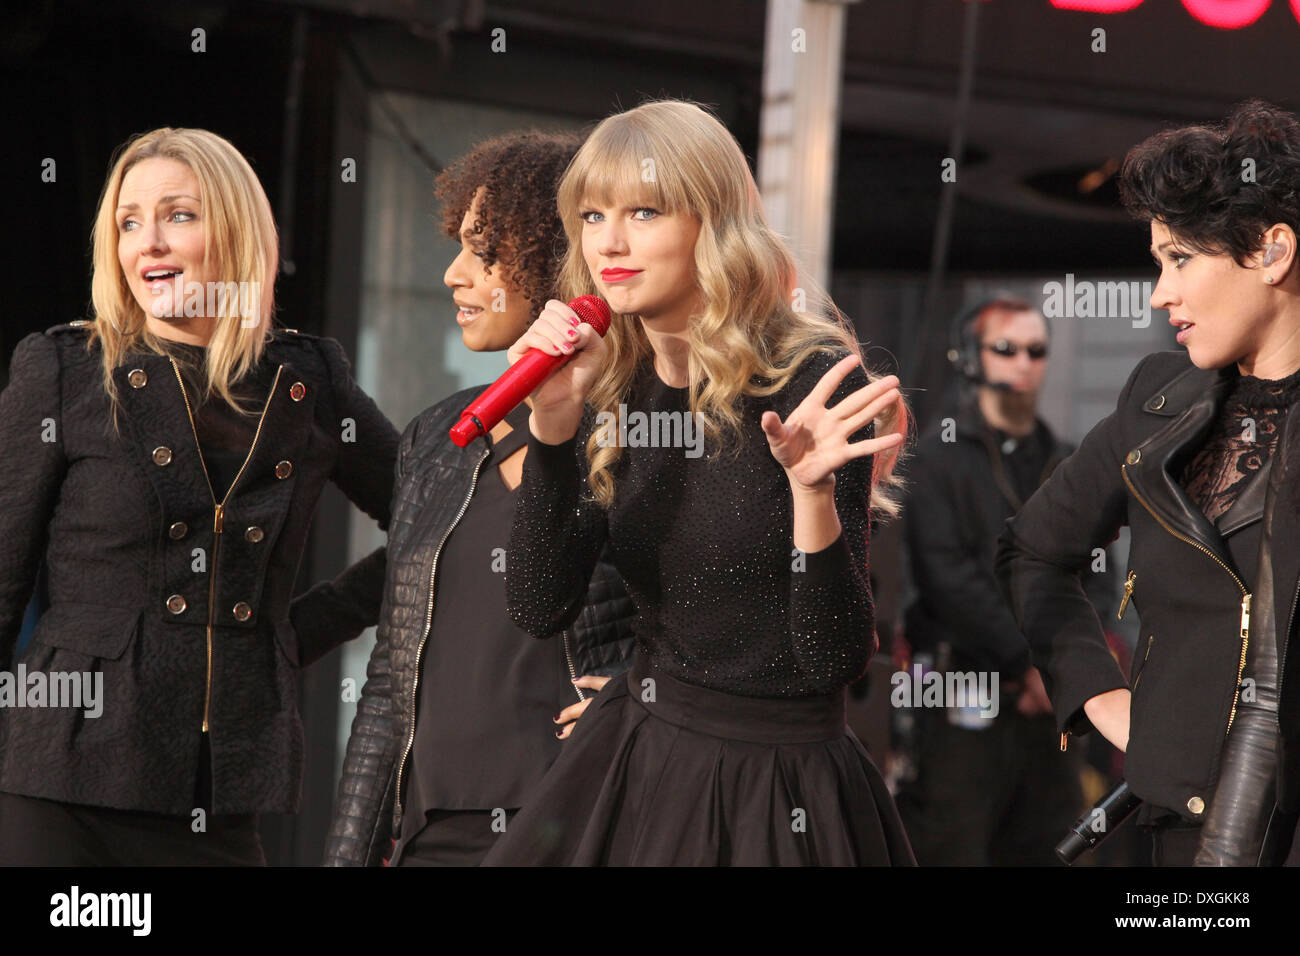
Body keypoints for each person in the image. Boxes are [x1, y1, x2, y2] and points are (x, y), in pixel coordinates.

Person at [480, 99, 915, 866]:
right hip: (641, 754)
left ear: (711, 225)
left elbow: (834, 662)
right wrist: (552, 430)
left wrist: (814, 498)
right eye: (591, 215)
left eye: (643, 212)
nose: (608, 241)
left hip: (776, 785)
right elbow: (539, 604)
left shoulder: (807, 380)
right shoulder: (609, 379)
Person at [0, 127, 398, 865]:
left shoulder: (309, 379)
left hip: (219, 796)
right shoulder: (65, 367)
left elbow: (431, 520)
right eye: (128, 222)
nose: (147, 241)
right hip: (55, 779)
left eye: (178, 215)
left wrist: (293, 635)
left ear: (236, 231)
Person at [996, 100, 1300, 866]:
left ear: (1273, 252)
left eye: (1181, 259)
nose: (1160, 293)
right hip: (1177, 827)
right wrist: (1105, 698)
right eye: (1158, 262)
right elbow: (1034, 552)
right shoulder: (1157, 399)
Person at [323, 131, 637, 867]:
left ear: (555, 258)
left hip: (577, 820)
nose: (454, 275)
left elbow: (712, 615)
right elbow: (390, 683)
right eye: (459, 246)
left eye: (484, 250)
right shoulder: (436, 435)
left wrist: (637, 700)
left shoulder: (642, 424)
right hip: (435, 833)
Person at [895, 296, 1113, 865]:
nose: (1024, 361)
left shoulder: (1067, 460)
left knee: (1053, 846)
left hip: (1051, 702)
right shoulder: (938, 457)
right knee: (952, 844)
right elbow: (946, 579)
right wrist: (1030, 664)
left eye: (1036, 351)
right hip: (966, 692)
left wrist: (1065, 667)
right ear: (971, 358)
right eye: (1006, 348)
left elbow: (1098, 575)